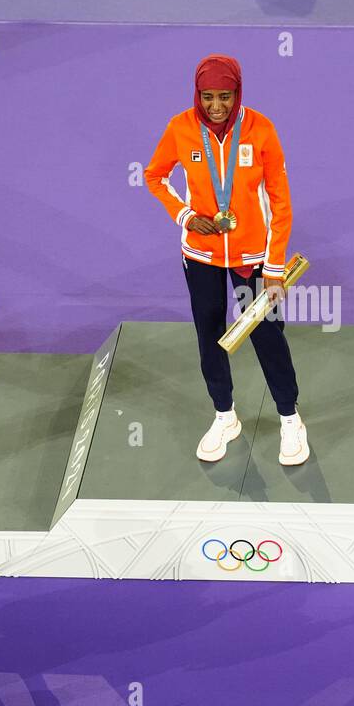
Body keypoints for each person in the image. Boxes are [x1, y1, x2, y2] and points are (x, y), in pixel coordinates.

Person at [143, 55, 308, 465]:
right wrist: (184, 215)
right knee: (209, 334)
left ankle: (290, 418)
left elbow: (280, 201)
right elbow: (155, 175)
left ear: (238, 93)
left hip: (253, 258)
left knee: (268, 336)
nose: (217, 106)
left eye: (225, 97)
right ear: (197, 95)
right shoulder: (181, 128)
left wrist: (274, 266)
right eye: (208, 97)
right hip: (200, 256)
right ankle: (224, 415)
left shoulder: (261, 130)